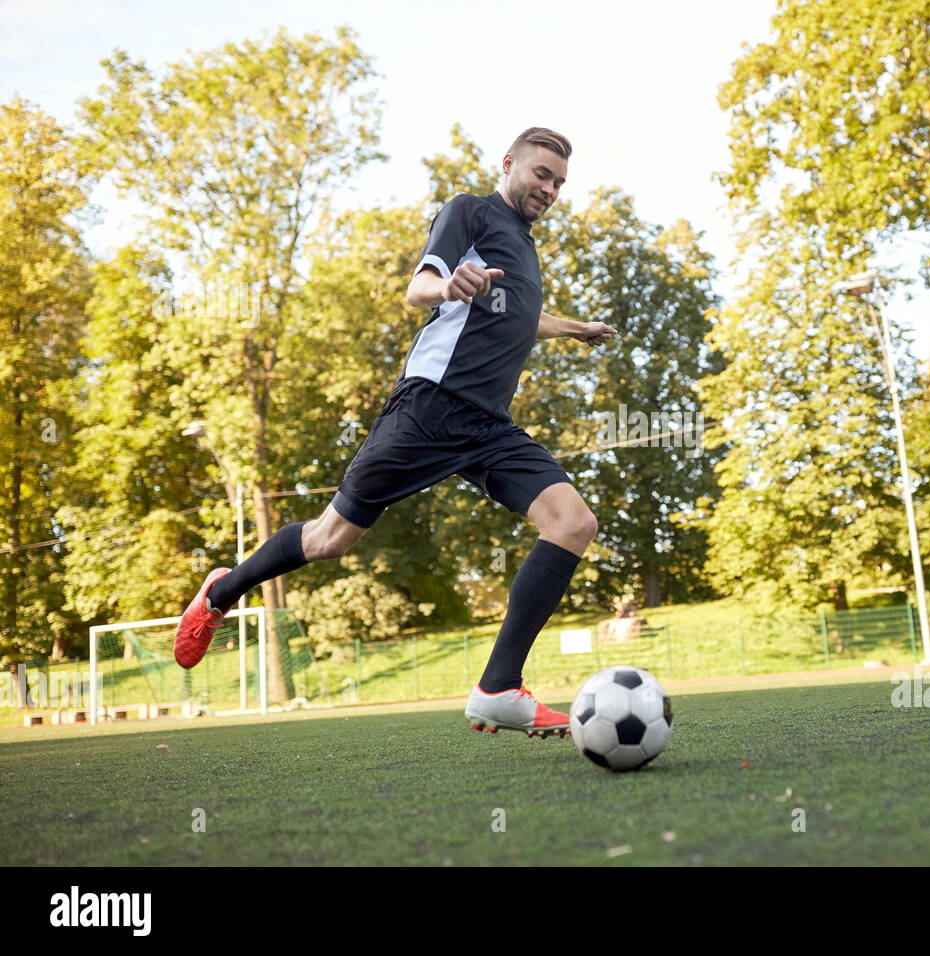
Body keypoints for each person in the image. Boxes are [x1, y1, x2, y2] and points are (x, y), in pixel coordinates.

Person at [173, 127, 616, 738]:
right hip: (429, 409)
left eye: (560, 183)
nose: (551, 189)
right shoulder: (471, 212)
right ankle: (222, 592)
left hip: (488, 426)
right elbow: (421, 287)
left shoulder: (526, 248)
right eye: (542, 174)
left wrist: (573, 329)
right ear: (509, 163)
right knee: (329, 540)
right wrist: (448, 285)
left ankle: (498, 688)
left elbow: (516, 317)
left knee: (573, 523)